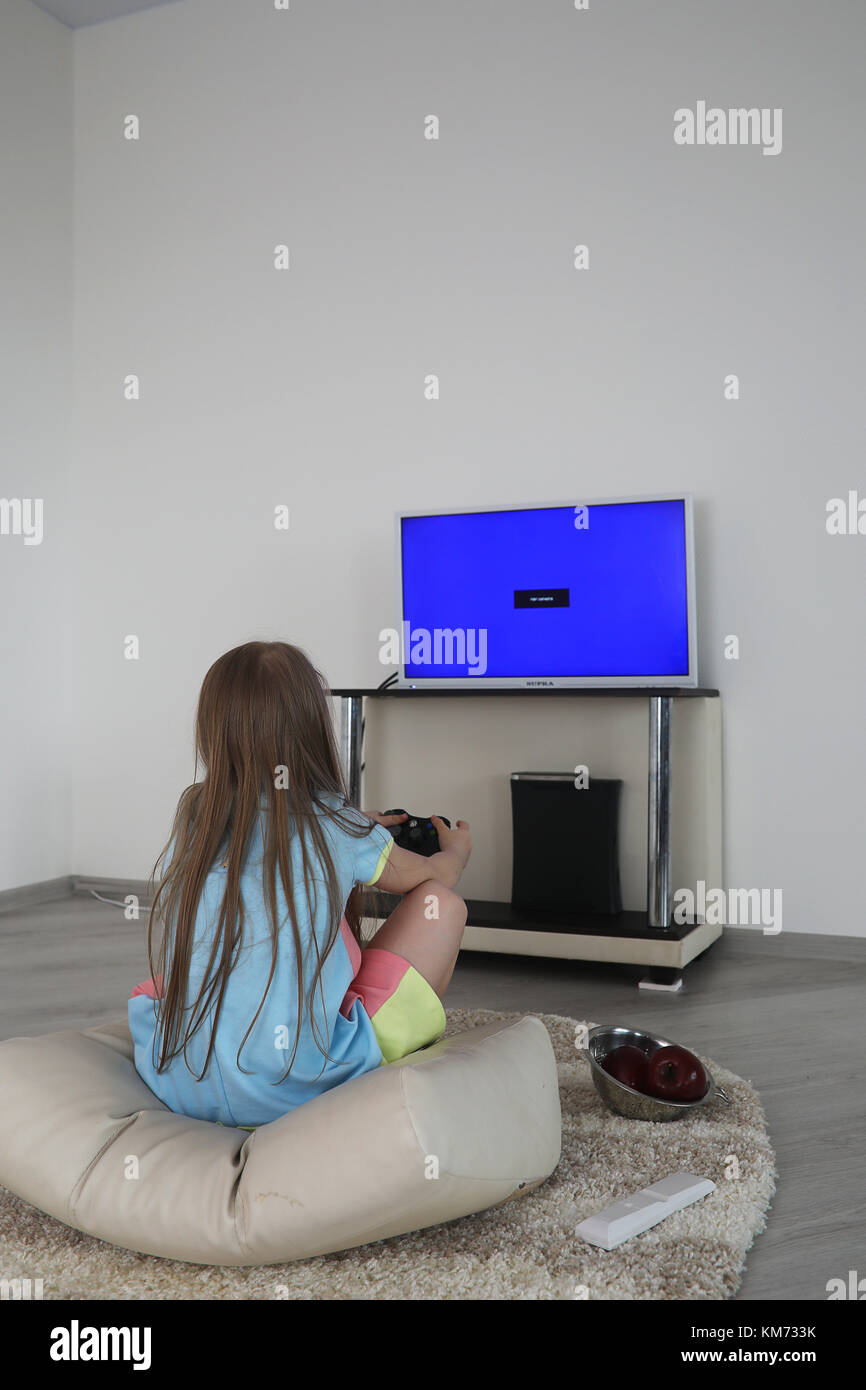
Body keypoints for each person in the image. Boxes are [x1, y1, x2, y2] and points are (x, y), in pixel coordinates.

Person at [129, 640, 472, 1128]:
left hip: (181, 1080)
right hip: (292, 1089)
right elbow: (439, 876)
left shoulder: (196, 814)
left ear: (212, 730)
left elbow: (272, 835)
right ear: (313, 728)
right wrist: (453, 849)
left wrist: (347, 832)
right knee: (442, 904)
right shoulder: (338, 827)